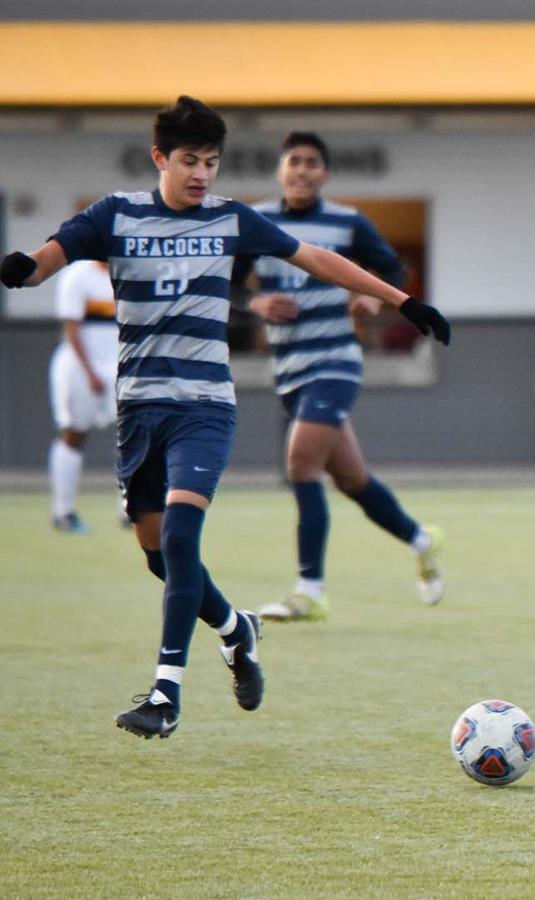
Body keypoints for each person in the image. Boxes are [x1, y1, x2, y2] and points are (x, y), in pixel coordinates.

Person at [0, 96, 451, 739]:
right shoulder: (115, 215)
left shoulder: (231, 220)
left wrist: (405, 300)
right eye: (190, 160)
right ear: (160, 157)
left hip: (205, 407)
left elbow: (318, 260)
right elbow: (47, 258)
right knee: (159, 557)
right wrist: (21, 268)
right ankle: (238, 630)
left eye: (212, 162)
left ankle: (166, 693)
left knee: (183, 542)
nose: (202, 174)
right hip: (140, 412)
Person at [236, 131, 443, 621]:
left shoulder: (348, 222)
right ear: (280, 171)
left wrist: (374, 295)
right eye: (294, 162)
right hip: (288, 370)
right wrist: (255, 301)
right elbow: (226, 284)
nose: (302, 170)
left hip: (336, 363)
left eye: (312, 163)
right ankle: (422, 539)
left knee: (301, 464)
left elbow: (395, 269)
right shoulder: (257, 220)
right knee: (351, 480)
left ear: (324, 173)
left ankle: (310, 589)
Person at [46, 259, 118, 533]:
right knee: (74, 433)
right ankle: (63, 511)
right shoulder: (77, 275)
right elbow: (72, 328)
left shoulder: (127, 271)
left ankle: (130, 507)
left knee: (135, 432)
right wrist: (90, 372)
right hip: (79, 367)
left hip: (118, 366)